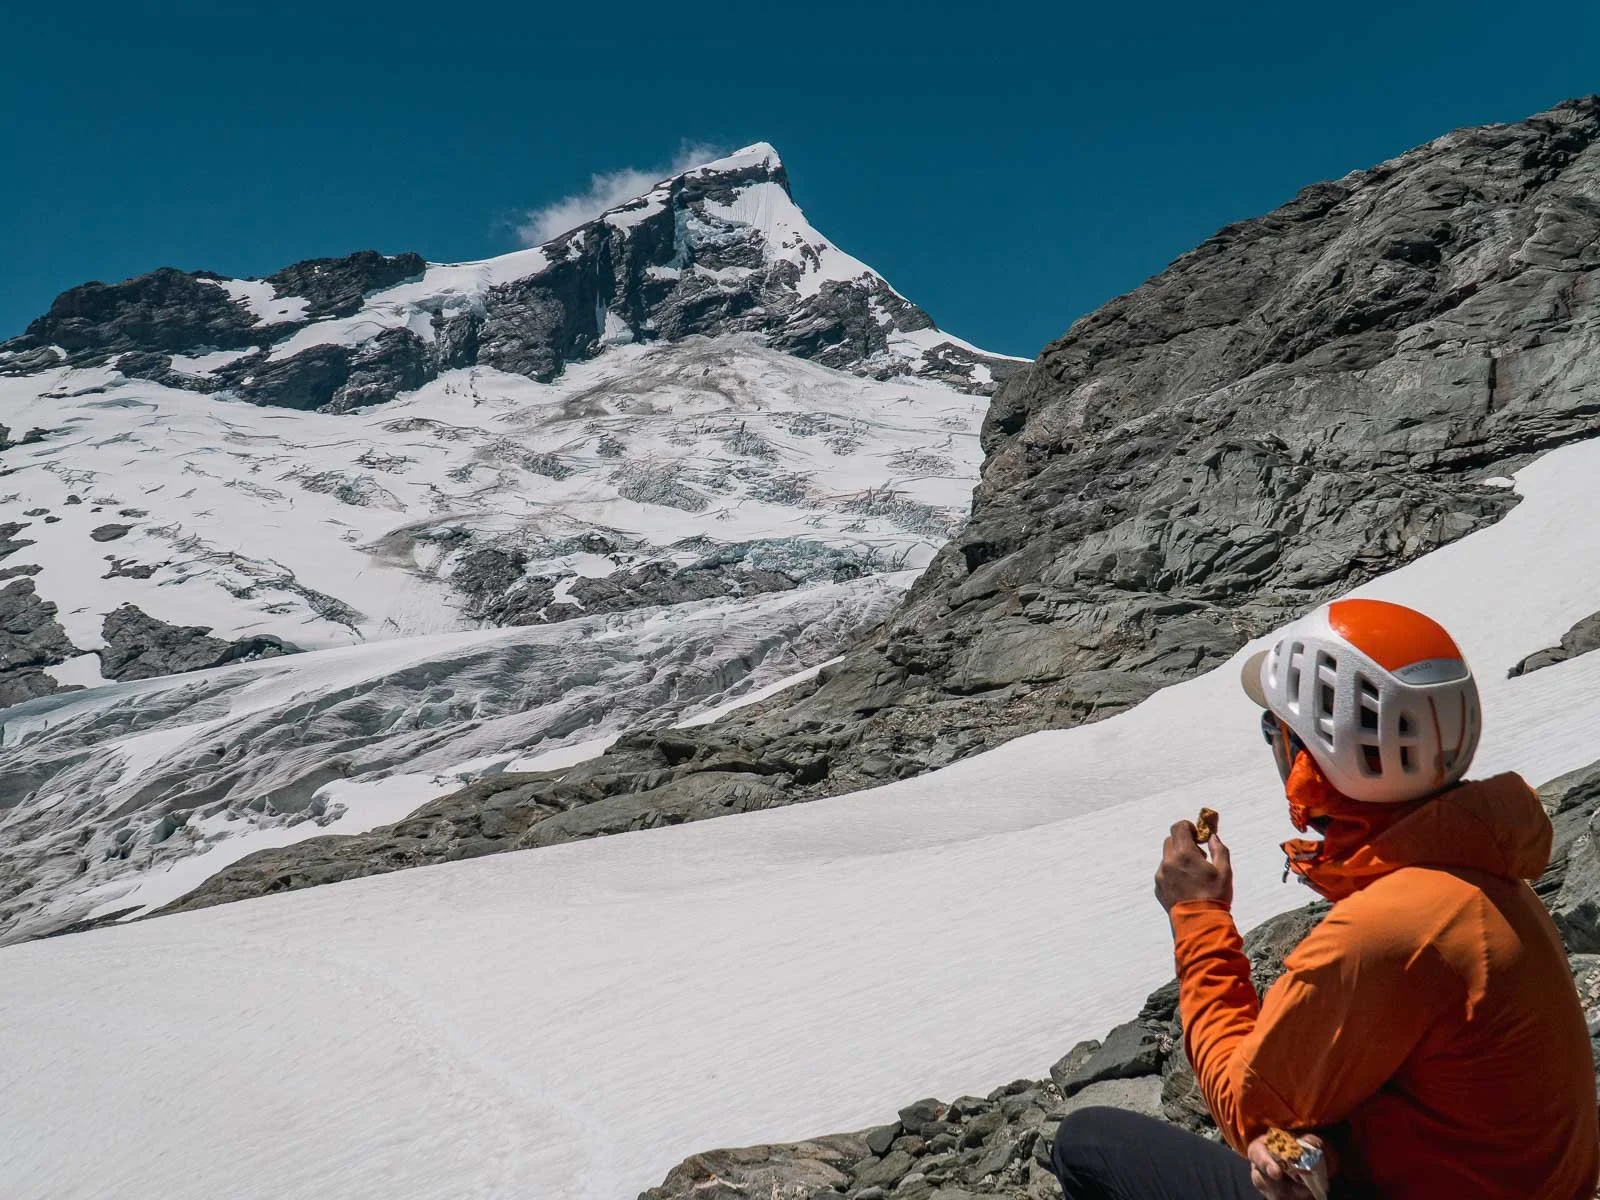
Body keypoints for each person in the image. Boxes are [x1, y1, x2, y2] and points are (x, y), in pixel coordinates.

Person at [1050, 598, 1600, 1199]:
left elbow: (1244, 1102)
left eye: (1274, 732)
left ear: (1308, 758)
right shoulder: (1485, 877)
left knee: (1088, 1144)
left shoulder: (1392, 928)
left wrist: (1198, 917)